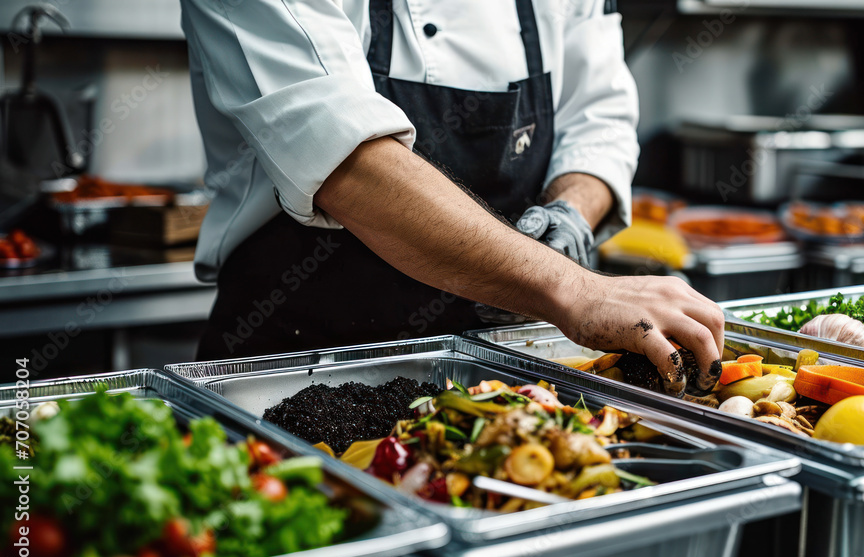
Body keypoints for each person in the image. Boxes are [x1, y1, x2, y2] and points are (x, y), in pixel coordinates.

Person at [180, 0, 724, 387]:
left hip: (505, 379)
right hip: (294, 375)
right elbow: (345, 159)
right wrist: (570, 288)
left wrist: (569, 218)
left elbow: (598, 116)